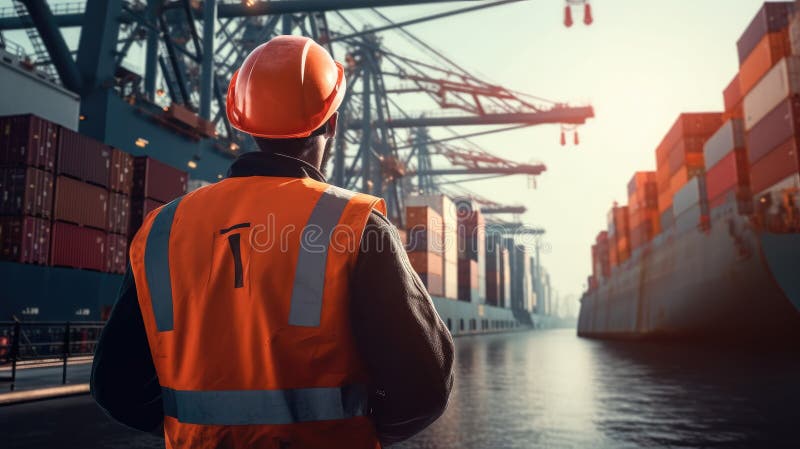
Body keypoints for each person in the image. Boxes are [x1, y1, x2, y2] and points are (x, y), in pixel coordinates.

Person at [91, 35, 454, 449]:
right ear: (332, 123)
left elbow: (114, 386)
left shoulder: (162, 229)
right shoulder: (357, 226)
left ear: (241, 121)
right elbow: (425, 386)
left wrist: (187, 427)